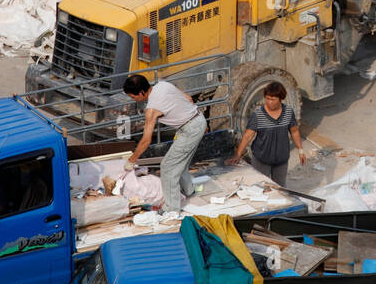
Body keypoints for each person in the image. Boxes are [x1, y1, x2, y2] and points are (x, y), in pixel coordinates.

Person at [122, 74, 207, 213]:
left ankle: (171, 209)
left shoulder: (151, 109)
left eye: (133, 97)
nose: (134, 100)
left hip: (190, 128)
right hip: (197, 119)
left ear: (142, 92)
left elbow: (146, 140)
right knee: (179, 161)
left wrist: (132, 160)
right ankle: (189, 191)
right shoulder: (163, 85)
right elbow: (189, 99)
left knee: (167, 167)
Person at [226, 81, 305, 186]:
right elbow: (248, 136)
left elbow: (294, 131)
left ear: (281, 99)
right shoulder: (258, 115)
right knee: (259, 188)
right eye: (267, 98)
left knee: (279, 189)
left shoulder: (288, 112)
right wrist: (238, 155)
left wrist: (300, 150)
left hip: (281, 160)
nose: (269, 102)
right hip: (261, 160)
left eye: (273, 99)